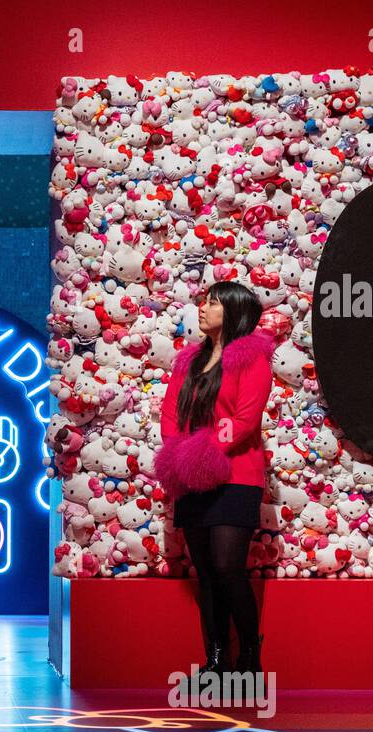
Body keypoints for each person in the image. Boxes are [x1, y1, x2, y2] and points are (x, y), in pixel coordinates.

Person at [157, 281, 274, 674]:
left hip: (236, 474)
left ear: (234, 311)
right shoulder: (187, 360)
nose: (202, 309)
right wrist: (180, 453)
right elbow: (170, 413)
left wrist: (202, 452)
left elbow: (245, 419)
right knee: (205, 572)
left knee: (228, 567)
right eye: (202, 302)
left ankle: (250, 656)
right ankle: (217, 657)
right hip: (191, 476)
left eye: (212, 303)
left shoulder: (253, 358)